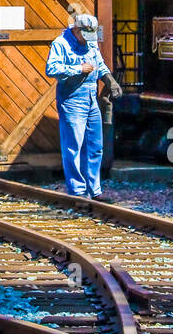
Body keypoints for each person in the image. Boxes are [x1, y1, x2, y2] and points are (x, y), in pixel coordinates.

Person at [45, 13, 123, 201]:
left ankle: (95, 190)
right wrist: (78, 69)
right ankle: (77, 191)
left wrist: (109, 80)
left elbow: (100, 64)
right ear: (77, 30)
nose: (89, 40)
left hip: (91, 98)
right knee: (74, 146)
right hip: (71, 100)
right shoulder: (60, 44)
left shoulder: (90, 42)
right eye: (85, 36)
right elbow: (51, 69)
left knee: (95, 146)